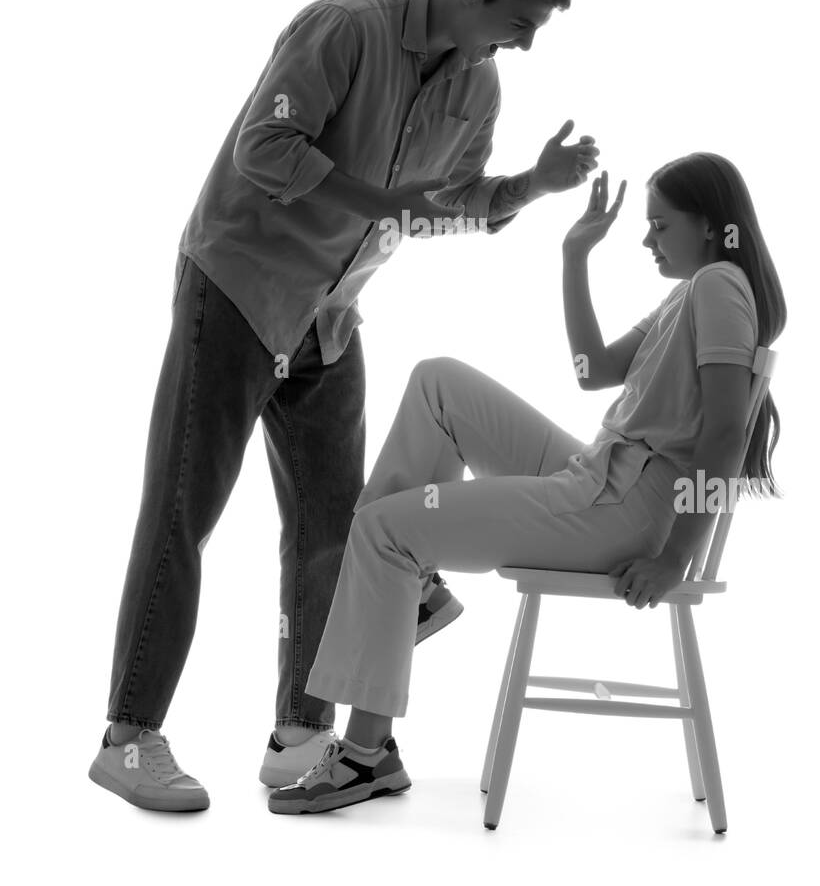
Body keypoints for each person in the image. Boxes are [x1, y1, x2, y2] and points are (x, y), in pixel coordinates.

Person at [88, 0, 602, 813]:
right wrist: (378, 198)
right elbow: (265, 148)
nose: (524, 44)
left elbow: (450, 208)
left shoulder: (478, 88)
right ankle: (129, 740)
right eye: (522, 21)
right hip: (239, 285)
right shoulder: (348, 25)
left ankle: (301, 733)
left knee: (338, 528)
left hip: (330, 314)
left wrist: (532, 186)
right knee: (183, 511)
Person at [268, 153, 786, 816]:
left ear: (712, 226)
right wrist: (575, 256)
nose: (648, 239)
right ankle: (413, 595)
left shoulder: (719, 286)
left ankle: (367, 755)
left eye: (661, 226)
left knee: (383, 529)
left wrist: (673, 558)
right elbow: (592, 369)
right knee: (439, 383)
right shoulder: (695, 291)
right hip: (601, 478)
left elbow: (725, 434)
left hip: (624, 510)